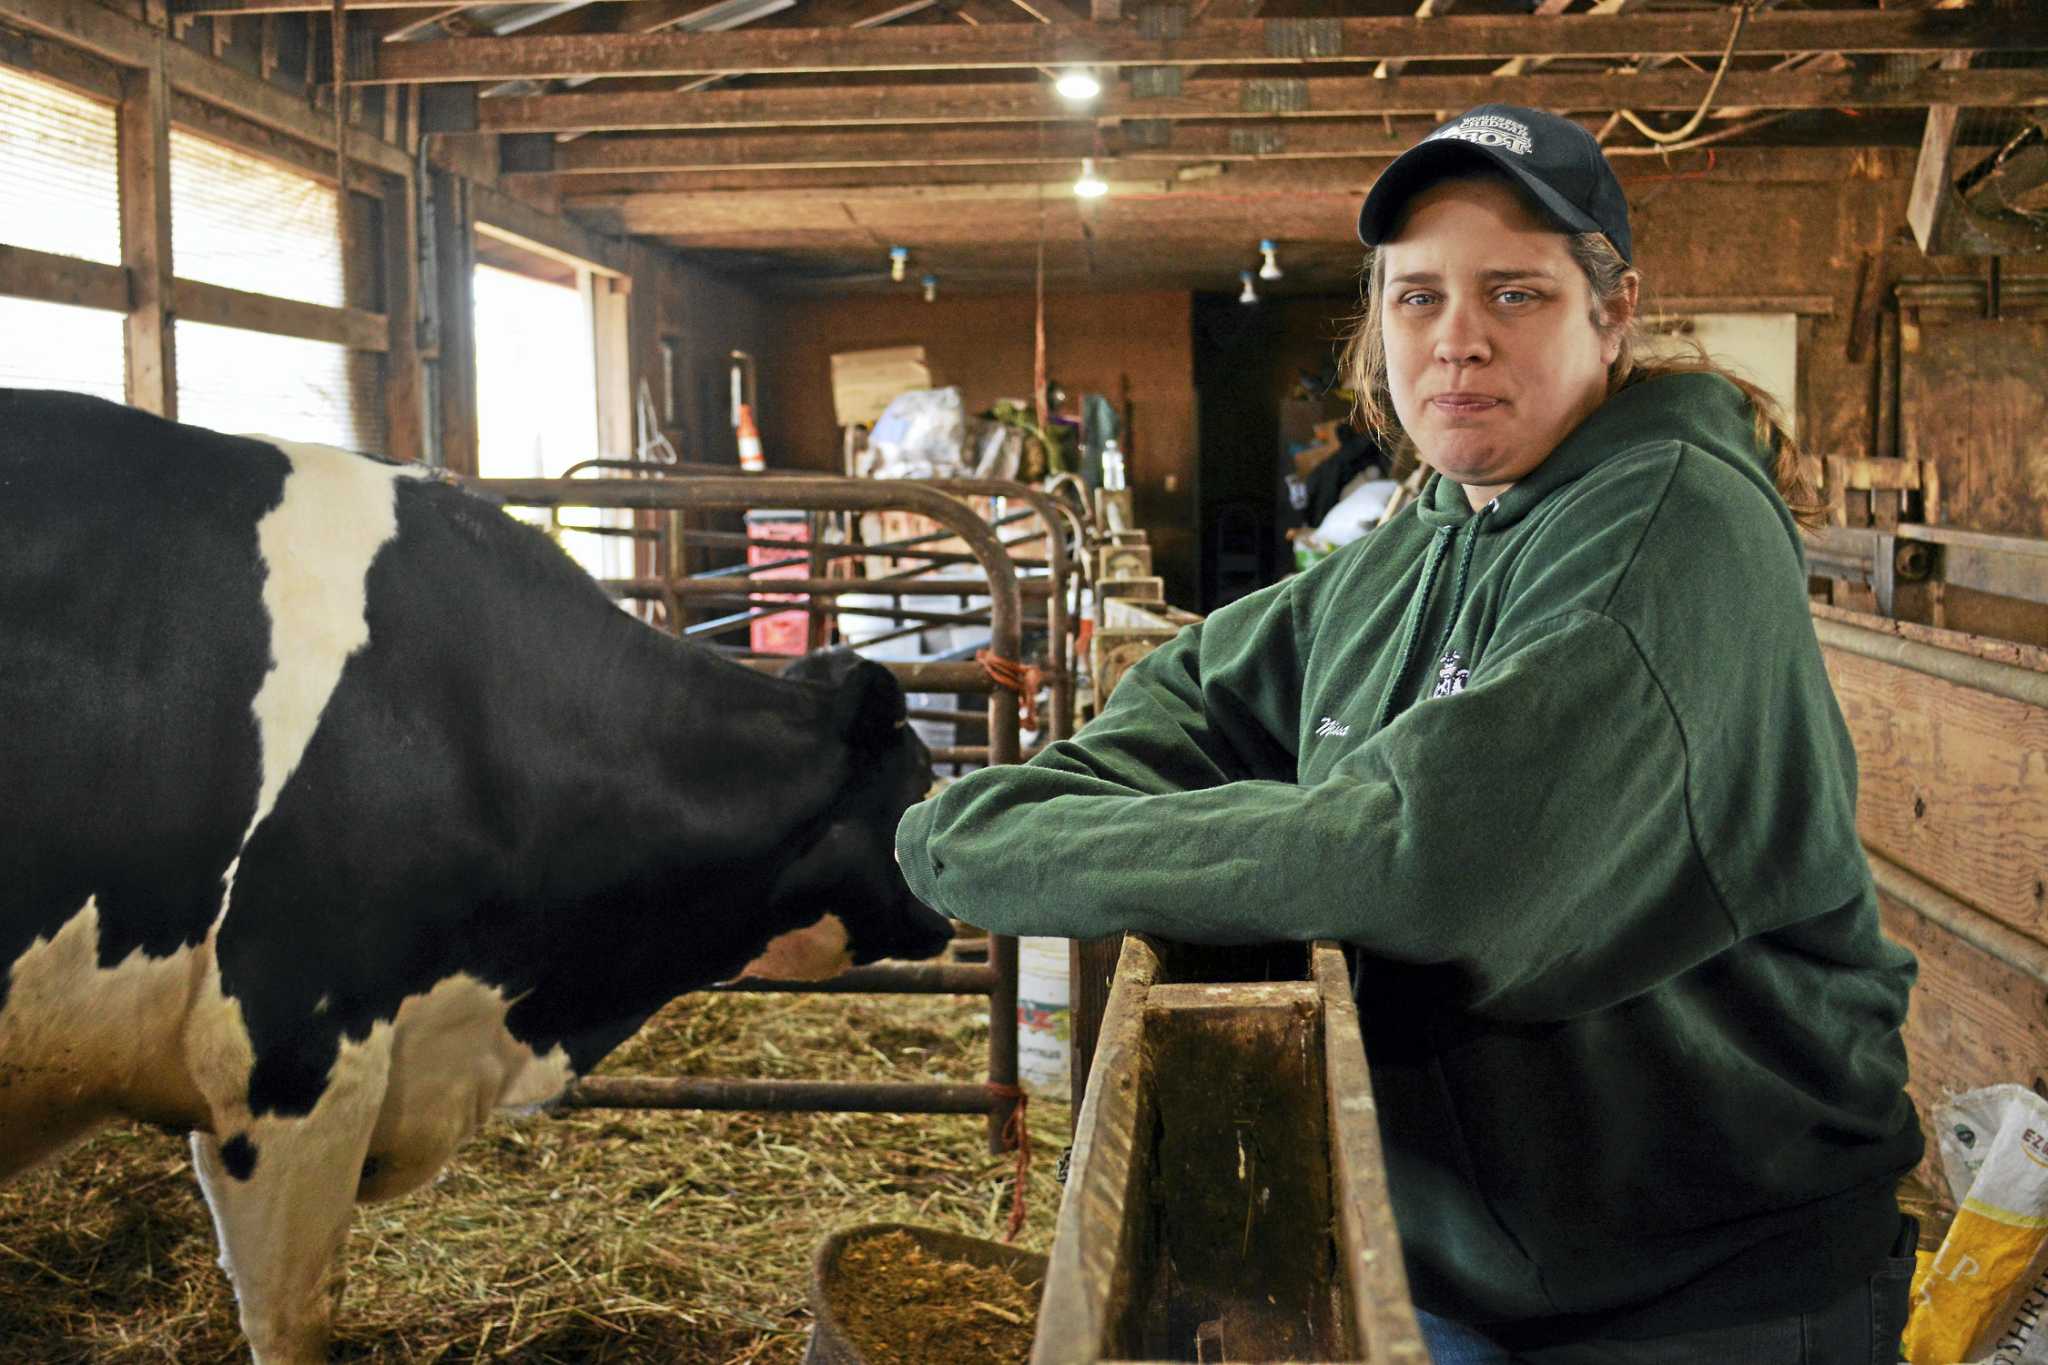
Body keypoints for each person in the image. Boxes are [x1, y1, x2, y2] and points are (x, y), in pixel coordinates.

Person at [894, 104, 1923, 1363]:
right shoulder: (1431, 528)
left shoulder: (1667, 527)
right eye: (1416, 297)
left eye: (1513, 294)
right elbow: (1192, 697)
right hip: (1461, 1261)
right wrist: (1007, 821)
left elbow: (1426, 859)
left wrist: (975, 849)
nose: (1456, 339)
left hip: (1705, 1288)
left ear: (1613, 313)